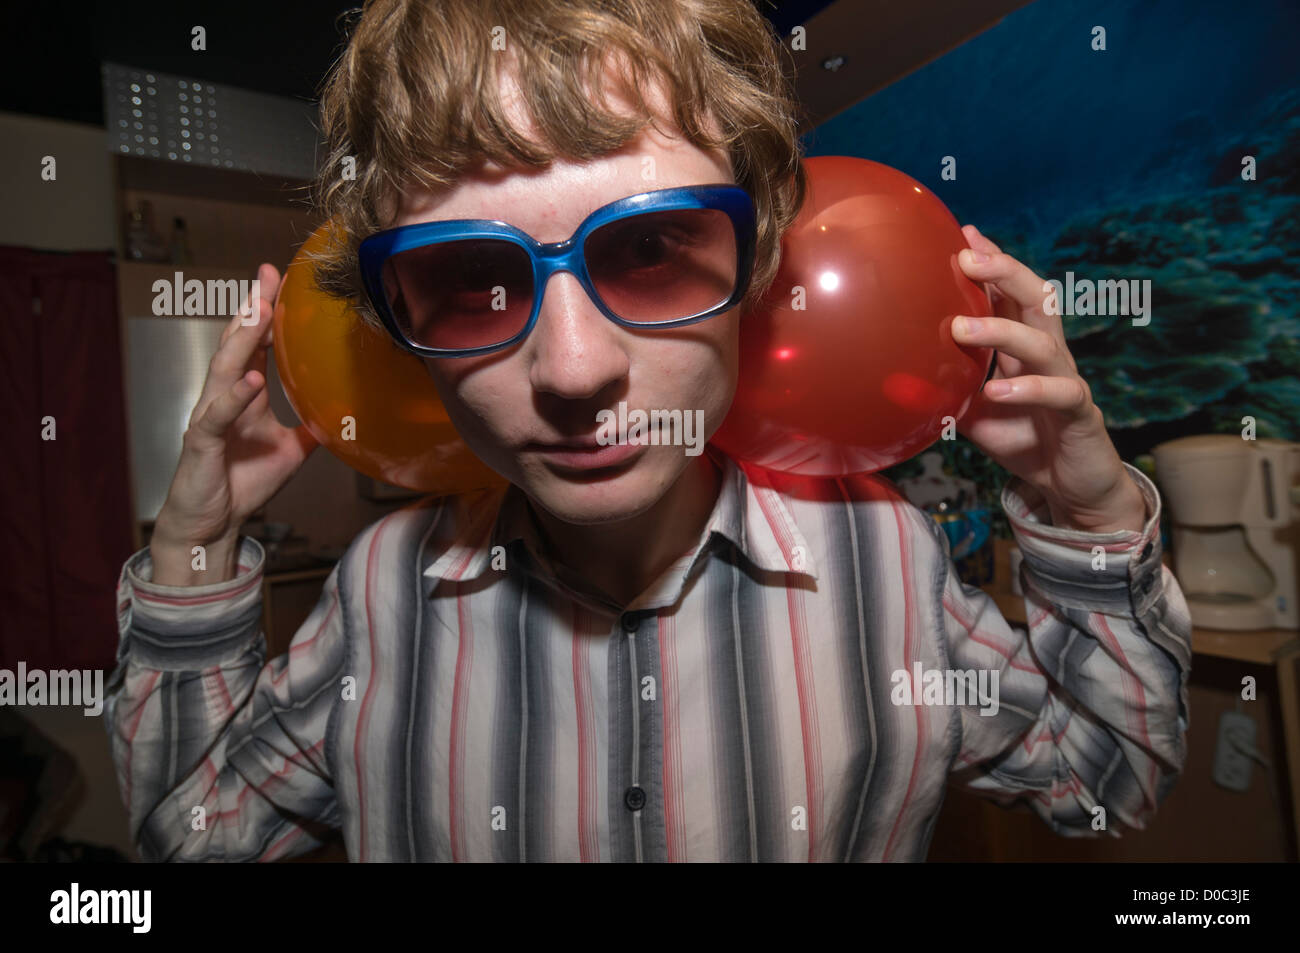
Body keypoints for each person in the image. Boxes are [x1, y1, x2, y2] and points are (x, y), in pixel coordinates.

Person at [105, 0, 1192, 862]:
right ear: (393, 324)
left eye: (653, 247)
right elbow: (190, 834)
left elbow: (1106, 776)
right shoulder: (380, 594)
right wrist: (188, 557)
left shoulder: (884, 564)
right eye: (471, 279)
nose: (574, 370)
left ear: (759, 263)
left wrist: (1091, 513)